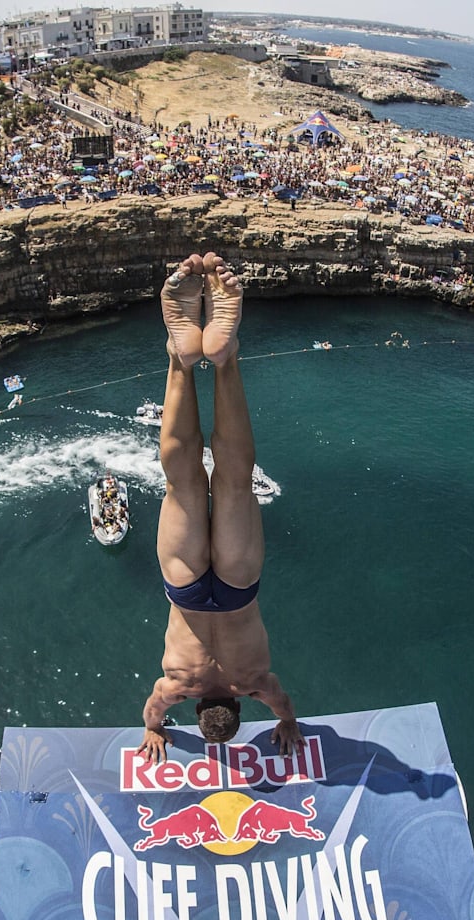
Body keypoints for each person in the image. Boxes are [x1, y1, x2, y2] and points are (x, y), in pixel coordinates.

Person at [138, 252, 301, 764]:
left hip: (236, 591)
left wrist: (288, 723)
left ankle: (225, 359)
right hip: (184, 590)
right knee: (182, 481)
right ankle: (179, 359)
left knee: (234, 480)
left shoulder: (254, 683)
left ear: (236, 703)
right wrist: (156, 733)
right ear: (198, 706)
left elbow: (283, 704)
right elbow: (152, 711)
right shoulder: (176, 685)